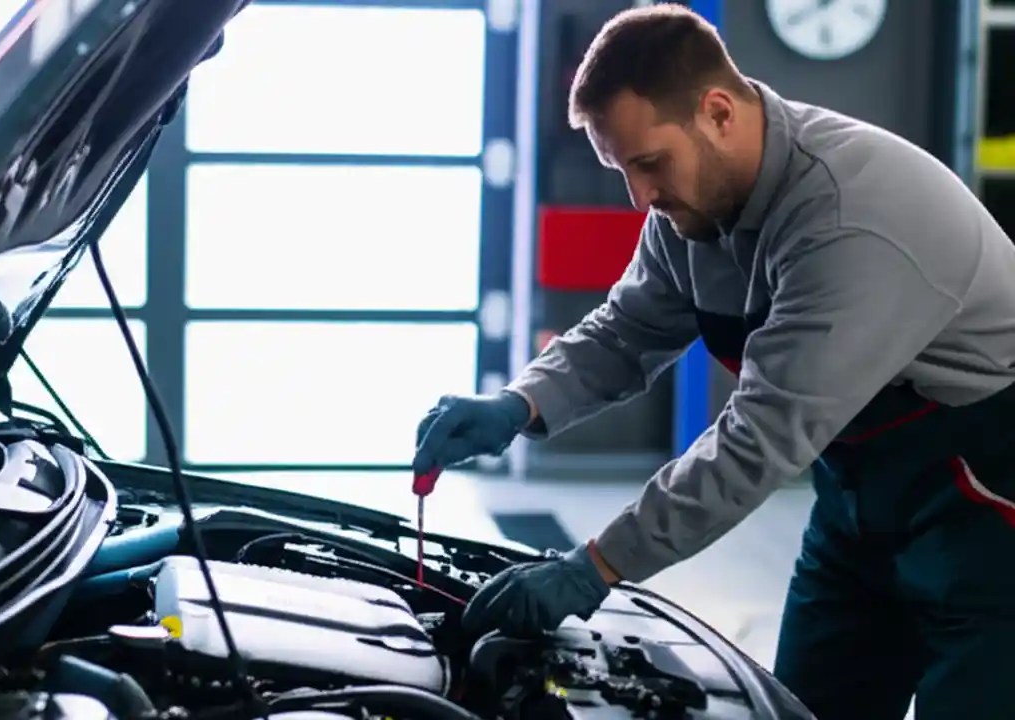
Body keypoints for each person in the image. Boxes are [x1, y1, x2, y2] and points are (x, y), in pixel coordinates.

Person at [411, 4, 1015, 718]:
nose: (639, 197)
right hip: (859, 507)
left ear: (719, 113)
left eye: (648, 163)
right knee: (804, 708)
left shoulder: (853, 219)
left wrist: (598, 564)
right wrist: (521, 404)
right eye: (621, 170)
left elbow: (757, 440)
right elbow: (627, 329)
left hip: (987, 512)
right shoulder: (692, 209)